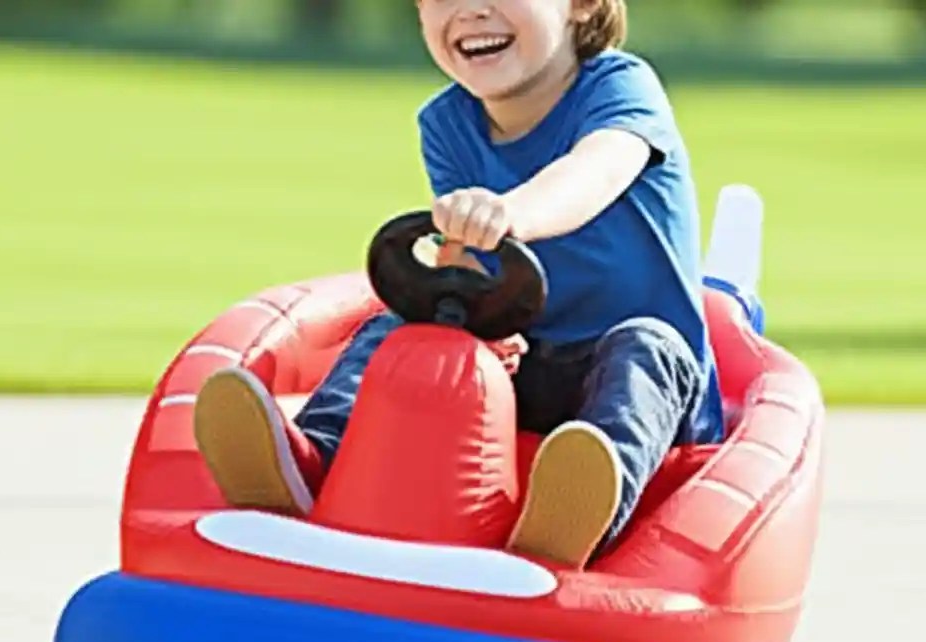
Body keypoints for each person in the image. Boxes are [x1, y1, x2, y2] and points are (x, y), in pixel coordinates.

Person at [193, 0, 725, 569]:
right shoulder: (446, 124)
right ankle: (309, 460)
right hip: (527, 366)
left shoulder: (620, 88)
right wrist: (463, 323)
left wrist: (513, 212)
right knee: (400, 328)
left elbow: (595, 172)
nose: (472, 11)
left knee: (644, 346)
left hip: (649, 388)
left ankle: (585, 506)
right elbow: (466, 265)